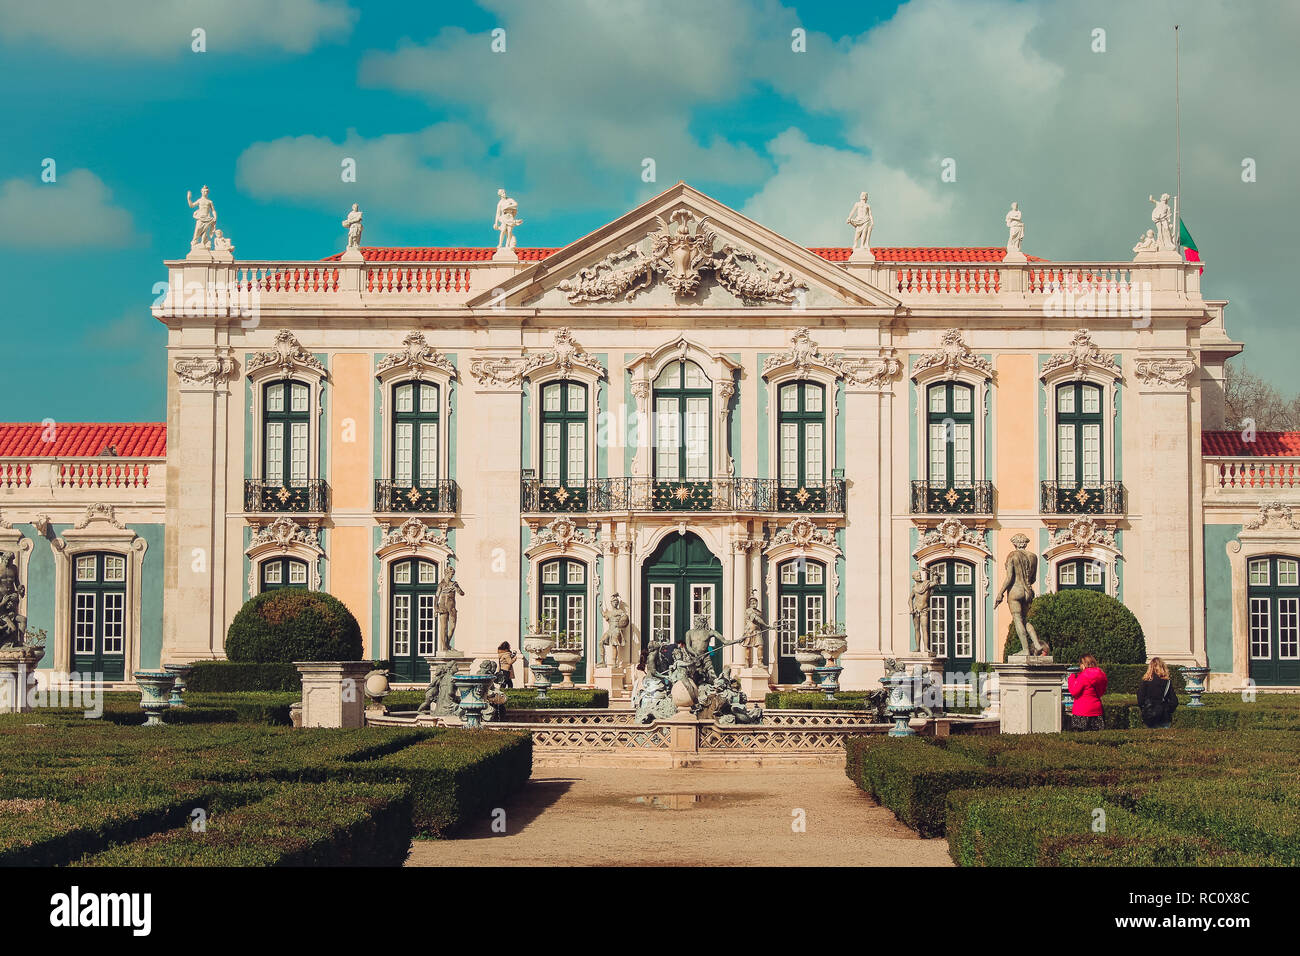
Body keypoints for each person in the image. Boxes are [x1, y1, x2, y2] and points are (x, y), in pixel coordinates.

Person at [1067, 654, 1108, 731]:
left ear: (1083, 664)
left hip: (1082, 710)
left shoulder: (1083, 676)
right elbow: (1101, 692)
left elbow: (1074, 692)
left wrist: (1071, 679)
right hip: (1097, 710)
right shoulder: (1102, 675)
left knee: (1080, 737)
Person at [1137, 657, 1178, 729]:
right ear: (1163, 667)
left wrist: (1145, 709)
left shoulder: (1145, 682)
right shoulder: (1167, 682)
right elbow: (1174, 701)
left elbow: (1140, 700)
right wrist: (1167, 709)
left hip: (1149, 716)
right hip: (1164, 716)